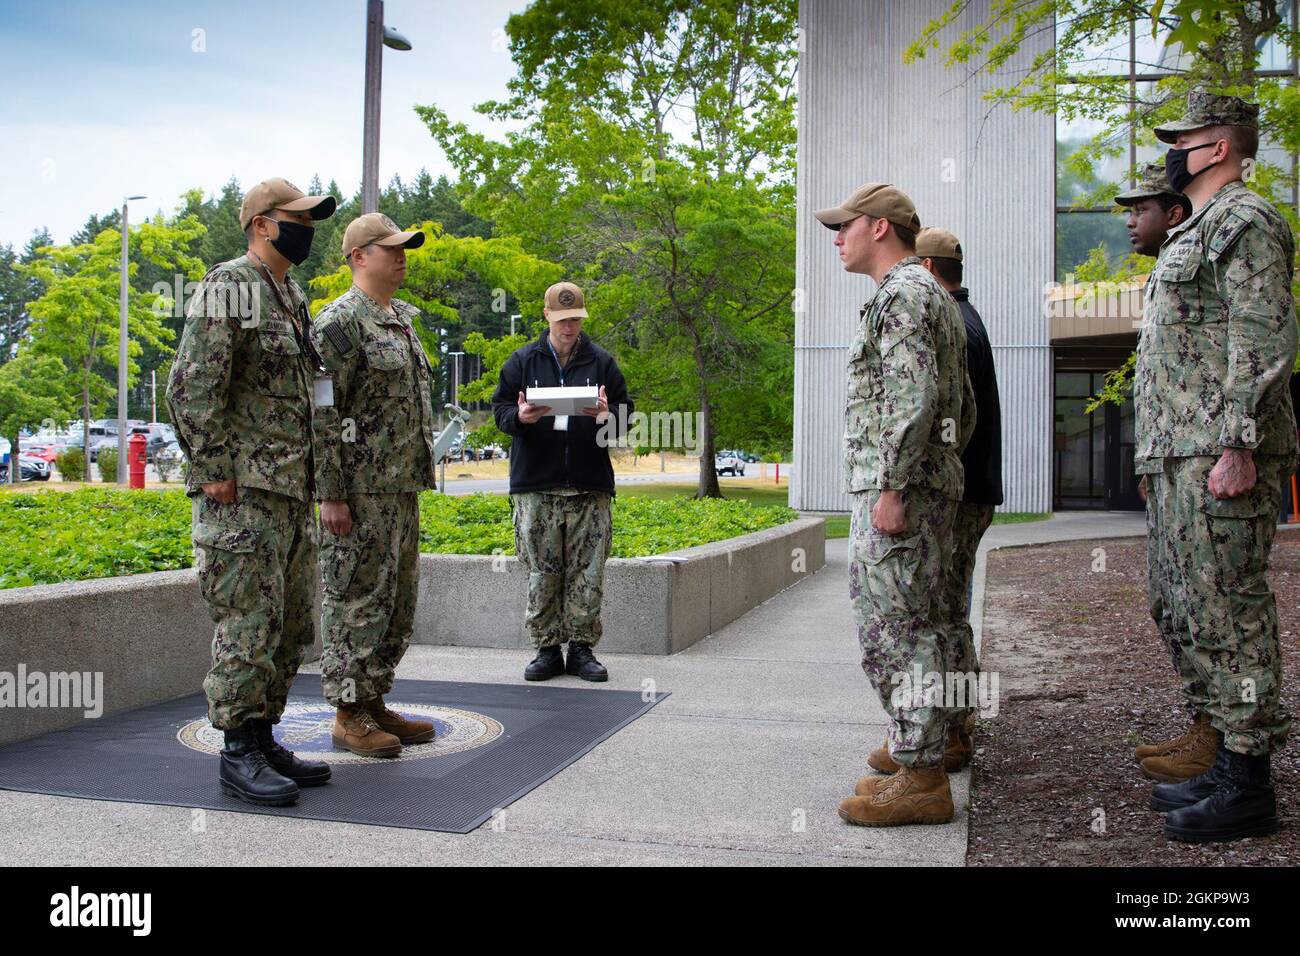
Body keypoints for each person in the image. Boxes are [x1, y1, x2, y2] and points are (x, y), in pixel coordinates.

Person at [1137, 90, 1297, 843]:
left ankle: (1250, 783)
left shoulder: (1246, 219)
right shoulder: (1196, 229)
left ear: (1221, 148)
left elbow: (1261, 337)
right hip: (1183, 452)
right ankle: (1228, 759)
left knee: (1230, 610)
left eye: (1185, 138)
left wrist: (1237, 442)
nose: (1174, 151)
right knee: (1193, 607)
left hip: (1220, 451)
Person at [166, 177, 336, 805]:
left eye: (313, 221)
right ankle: (237, 749)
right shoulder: (231, 285)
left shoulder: (290, 294)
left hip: (289, 491)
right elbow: (191, 386)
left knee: (290, 626)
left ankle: (264, 736)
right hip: (243, 496)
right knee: (247, 621)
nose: (308, 230)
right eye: (299, 218)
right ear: (262, 223)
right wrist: (213, 467)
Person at [815, 184, 974, 827]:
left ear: (880, 228)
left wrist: (893, 487)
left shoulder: (902, 296)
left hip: (900, 491)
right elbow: (958, 407)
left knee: (897, 630)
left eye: (844, 226)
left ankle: (921, 774)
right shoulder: (930, 293)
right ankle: (925, 759)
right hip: (926, 484)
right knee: (928, 624)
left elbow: (913, 403)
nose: (836, 238)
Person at [861, 226, 999, 776]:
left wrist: (901, 483)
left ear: (929, 266)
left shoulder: (938, 314)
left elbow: (928, 404)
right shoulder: (966, 318)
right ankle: (953, 728)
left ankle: (937, 738)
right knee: (946, 615)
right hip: (969, 484)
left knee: (930, 616)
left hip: (953, 489)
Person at [310, 213, 440, 758]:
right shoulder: (339, 324)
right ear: (359, 256)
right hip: (359, 493)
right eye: (391, 249)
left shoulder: (400, 319)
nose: (402, 256)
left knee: (395, 601)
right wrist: (330, 492)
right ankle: (347, 714)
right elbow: (321, 410)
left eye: (405, 248)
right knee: (356, 600)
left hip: (399, 487)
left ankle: (373, 699)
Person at [1113, 165, 1213, 782]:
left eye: (1140, 207)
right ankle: (1207, 725)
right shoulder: (1166, 268)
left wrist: (1238, 445)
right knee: (1172, 603)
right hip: (1174, 457)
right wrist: (1150, 458)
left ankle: (1232, 750)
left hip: (1207, 454)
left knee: (1213, 605)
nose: (1129, 219)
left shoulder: (1211, 245)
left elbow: (1248, 351)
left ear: (1172, 212)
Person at [490, 282, 633, 682]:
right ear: (547, 317)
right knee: (543, 569)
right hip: (537, 485)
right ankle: (547, 648)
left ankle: (582, 648)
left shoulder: (602, 362)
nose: (570, 327)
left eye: (576, 320)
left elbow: (625, 418)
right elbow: (500, 410)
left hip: (589, 484)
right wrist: (520, 419)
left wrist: (607, 417)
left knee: (588, 570)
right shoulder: (522, 361)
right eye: (563, 320)